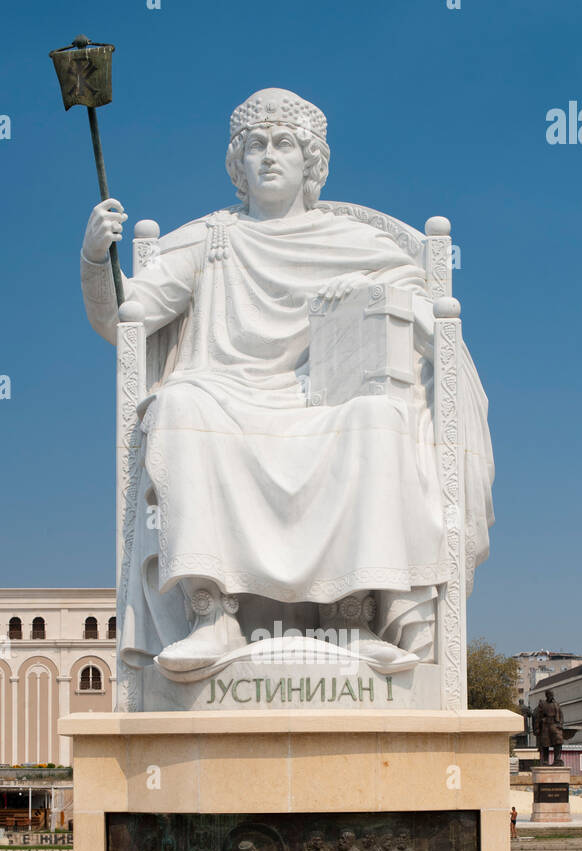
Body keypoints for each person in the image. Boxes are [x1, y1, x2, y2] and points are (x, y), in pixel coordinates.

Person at [80, 88, 495, 675]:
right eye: (254, 146)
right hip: (224, 397)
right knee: (177, 406)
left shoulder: (354, 242)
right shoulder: (210, 241)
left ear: (311, 163)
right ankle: (211, 613)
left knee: (376, 417)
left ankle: (350, 617)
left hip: (321, 404)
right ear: (238, 167)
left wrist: (366, 293)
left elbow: (430, 312)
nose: (268, 156)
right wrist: (98, 262)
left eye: (284, 145)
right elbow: (122, 320)